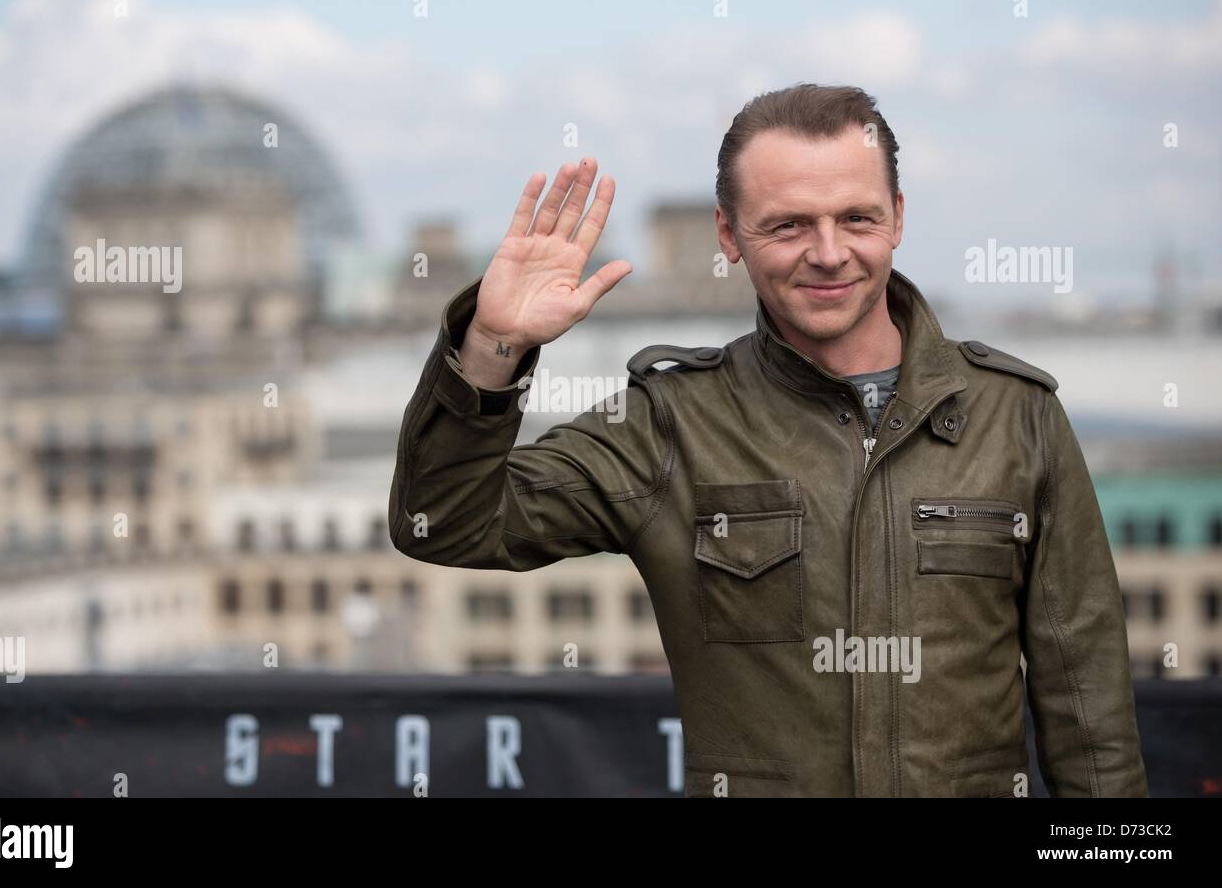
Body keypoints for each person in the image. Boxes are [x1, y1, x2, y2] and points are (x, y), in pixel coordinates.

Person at [389, 83, 1149, 797]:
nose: (827, 252)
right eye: (787, 225)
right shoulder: (668, 424)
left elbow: (1090, 717)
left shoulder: (1017, 416)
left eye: (856, 217)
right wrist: (493, 344)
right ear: (729, 235)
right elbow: (447, 523)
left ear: (898, 217)